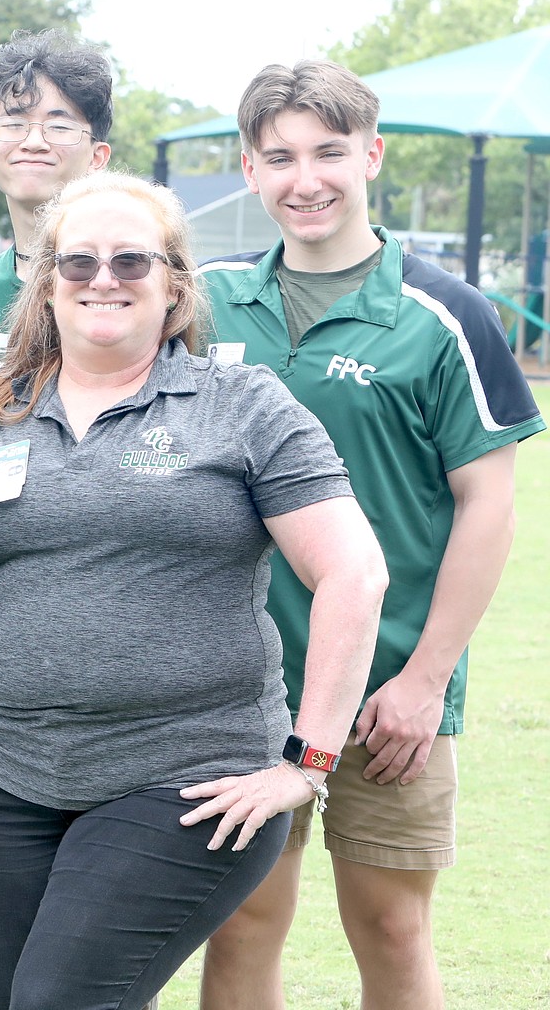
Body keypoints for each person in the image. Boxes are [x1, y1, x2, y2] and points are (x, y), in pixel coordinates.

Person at [0, 171, 388, 1010]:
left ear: (176, 287)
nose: (103, 279)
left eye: (131, 261)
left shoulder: (242, 406)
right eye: (77, 263)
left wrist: (307, 763)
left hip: (188, 779)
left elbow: (353, 574)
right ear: (46, 285)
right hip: (2, 777)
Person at [197, 62, 545, 1010]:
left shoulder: (448, 316)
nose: (305, 179)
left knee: (392, 929)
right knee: (239, 925)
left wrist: (426, 679)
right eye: (280, 157)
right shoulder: (204, 302)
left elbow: (488, 506)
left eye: (329, 152)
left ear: (372, 156)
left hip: (391, 694)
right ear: (250, 169)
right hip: (239, 688)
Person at [0, 30, 113, 384]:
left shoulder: (125, 283)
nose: (34, 142)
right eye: (13, 124)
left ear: (98, 156)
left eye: (59, 126)